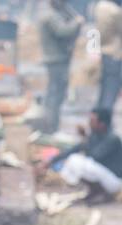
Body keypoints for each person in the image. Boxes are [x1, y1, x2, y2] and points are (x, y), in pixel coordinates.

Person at [55, 108, 122, 203]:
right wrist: (51, 161)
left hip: (114, 180)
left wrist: (84, 137)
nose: (89, 123)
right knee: (72, 160)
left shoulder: (112, 139)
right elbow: (74, 149)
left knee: (80, 163)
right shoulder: (94, 135)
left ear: (102, 124)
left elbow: (95, 156)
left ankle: (102, 194)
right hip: (103, 175)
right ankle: (94, 192)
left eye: (92, 121)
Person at [38, 0, 85, 134]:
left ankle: (52, 126)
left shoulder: (53, 14)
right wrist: (77, 22)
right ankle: (51, 127)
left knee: (57, 95)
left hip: (58, 59)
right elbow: (63, 31)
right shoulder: (51, 16)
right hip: (56, 60)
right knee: (55, 96)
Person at [94, 0, 122, 112]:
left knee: (103, 92)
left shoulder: (100, 6)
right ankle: (105, 123)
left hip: (102, 51)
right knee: (110, 92)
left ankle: (99, 123)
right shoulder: (115, 11)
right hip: (114, 54)